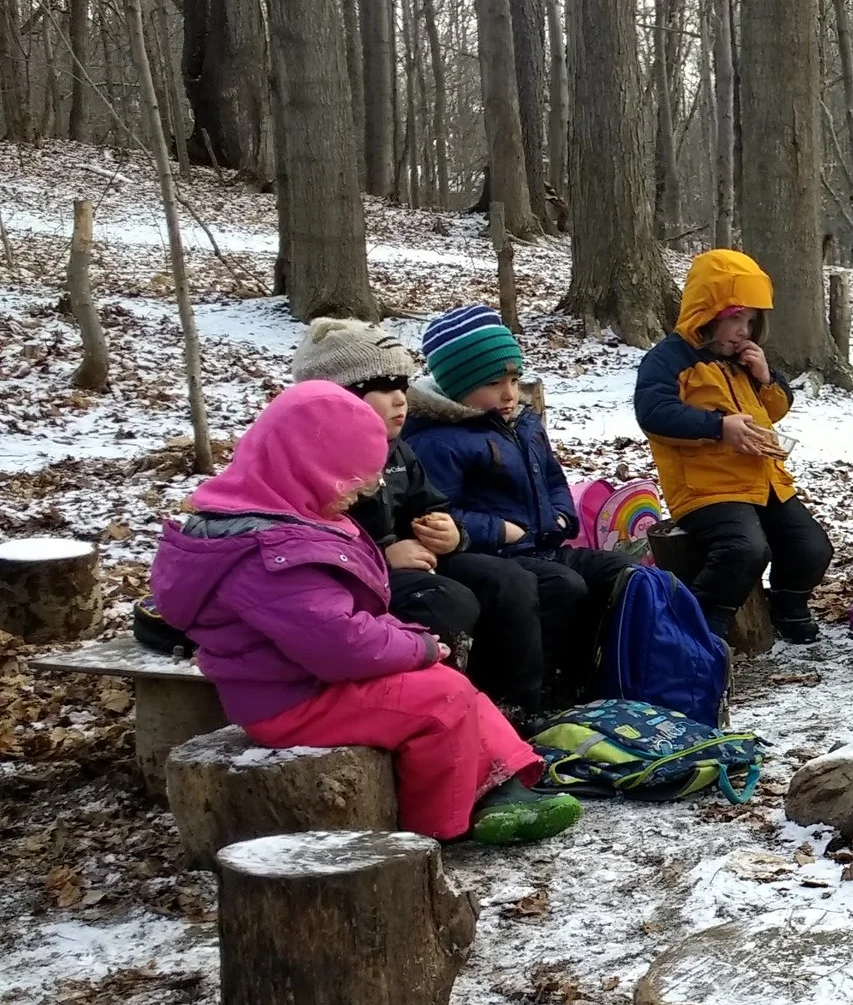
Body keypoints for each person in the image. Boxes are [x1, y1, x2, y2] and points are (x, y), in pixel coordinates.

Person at [147, 382, 578, 845]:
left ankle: (504, 780)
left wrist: (407, 639)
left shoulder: (284, 520)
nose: (358, 495)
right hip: (288, 700)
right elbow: (339, 644)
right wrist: (415, 645)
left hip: (302, 678)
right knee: (441, 700)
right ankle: (440, 822)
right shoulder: (269, 554)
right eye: (350, 483)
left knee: (446, 681)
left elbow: (345, 616)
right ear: (308, 468)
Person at [404, 305, 636, 716]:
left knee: (621, 572)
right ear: (458, 386)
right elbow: (436, 511)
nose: (509, 394)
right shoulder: (439, 440)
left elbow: (553, 479)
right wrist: (498, 530)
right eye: (493, 384)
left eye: (514, 380)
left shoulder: (522, 424)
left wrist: (561, 515)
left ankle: (599, 677)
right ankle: (534, 698)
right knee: (563, 587)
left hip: (539, 543)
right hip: (491, 553)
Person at [634, 249, 833, 643]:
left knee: (812, 547)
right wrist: (718, 427)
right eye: (736, 319)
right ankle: (700, 622)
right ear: (707, 313)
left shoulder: (742, 360)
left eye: (752, 321)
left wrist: (765, 379)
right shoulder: (669, 359)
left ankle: (788, 604)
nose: (744, 330)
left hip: (763, 481)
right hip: (706, 488)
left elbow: (775, 410)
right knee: (745, 549)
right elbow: (654, 413)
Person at [292, 318, 477, 653]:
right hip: (349, 576)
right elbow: (309, 543)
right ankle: (429, 678)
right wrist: (383, 557)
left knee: (502, 581)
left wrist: (449, 533)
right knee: (446, 599)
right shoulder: (311, 456)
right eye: (383, 387)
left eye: (403, 386)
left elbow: (426, 504)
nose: (400, 400)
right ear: (339, 395)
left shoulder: (397, 450)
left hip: (406, 559)